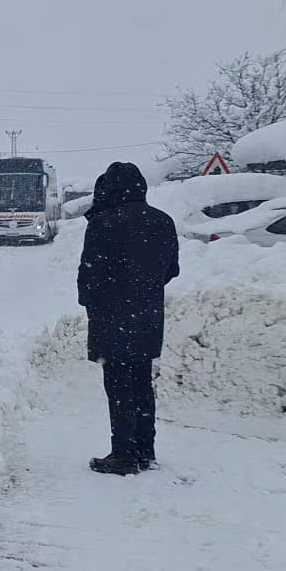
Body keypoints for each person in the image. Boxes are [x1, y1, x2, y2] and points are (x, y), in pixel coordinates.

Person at [78, 162, 179, 476]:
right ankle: (144, 450)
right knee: (142, 385)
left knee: (119, 387)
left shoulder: (103, 223)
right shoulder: (163, 221)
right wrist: (145, 286)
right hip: (147, 317)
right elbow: (172, 269)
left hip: (113, 319)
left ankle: (123, 454)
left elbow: (90, 276)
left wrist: (92, 301)